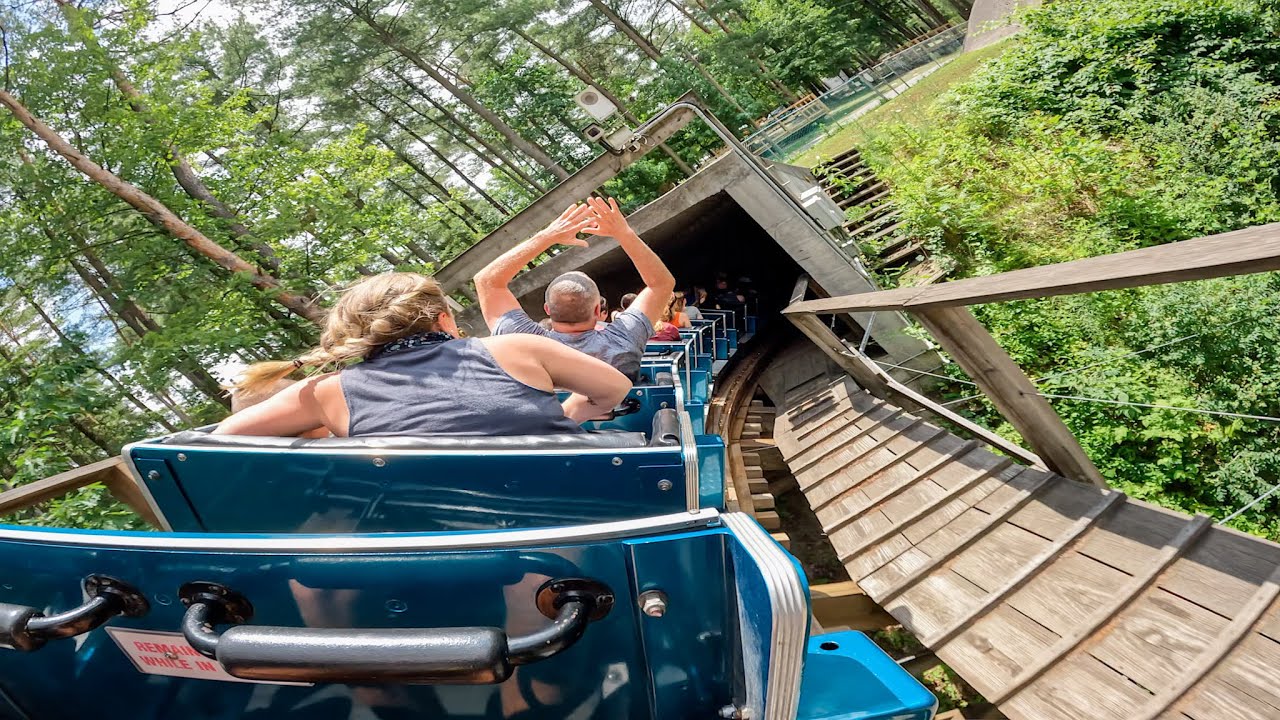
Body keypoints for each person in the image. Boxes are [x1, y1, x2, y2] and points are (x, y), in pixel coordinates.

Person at [215, 272, 631, 437]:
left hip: (447, 545)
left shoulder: (325, 392)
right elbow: (615, 388)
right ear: (445, 320)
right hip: (583, 519)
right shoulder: (518, 347)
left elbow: (223, 440)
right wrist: (571, 411)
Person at [473, 196, 676, 380]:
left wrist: (547, 236)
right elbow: (661, 284)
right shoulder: (623, 339)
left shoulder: (523, 342)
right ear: (598, 310)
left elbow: (487, 281)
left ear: (548, 310)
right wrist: (624, 233)